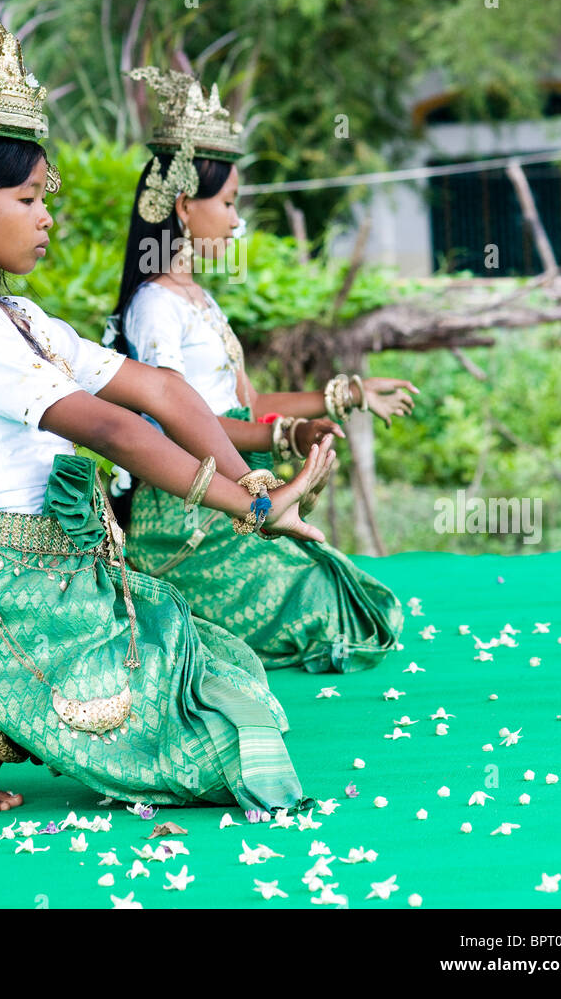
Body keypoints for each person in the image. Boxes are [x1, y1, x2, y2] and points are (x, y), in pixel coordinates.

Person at [0, 13, 334, 815]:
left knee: (227, 696)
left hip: (66, 573)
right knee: (201, 760)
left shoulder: (14, 313)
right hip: (4, 587)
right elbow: (115, 429)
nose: (46, 215)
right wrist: (247, 505)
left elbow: (160, 391)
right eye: (27, 198)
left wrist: (255, 487)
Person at [107, 65, 416, 674]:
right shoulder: (155, 308)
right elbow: (181, 425)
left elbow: (241, 404)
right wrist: (285, 436)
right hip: (188, 514)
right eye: (228, 203)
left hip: (235, 494)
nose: (237, 220)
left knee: (353, 600)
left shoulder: (198, 298)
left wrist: (348, 395)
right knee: (334, 614)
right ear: (182, 207)